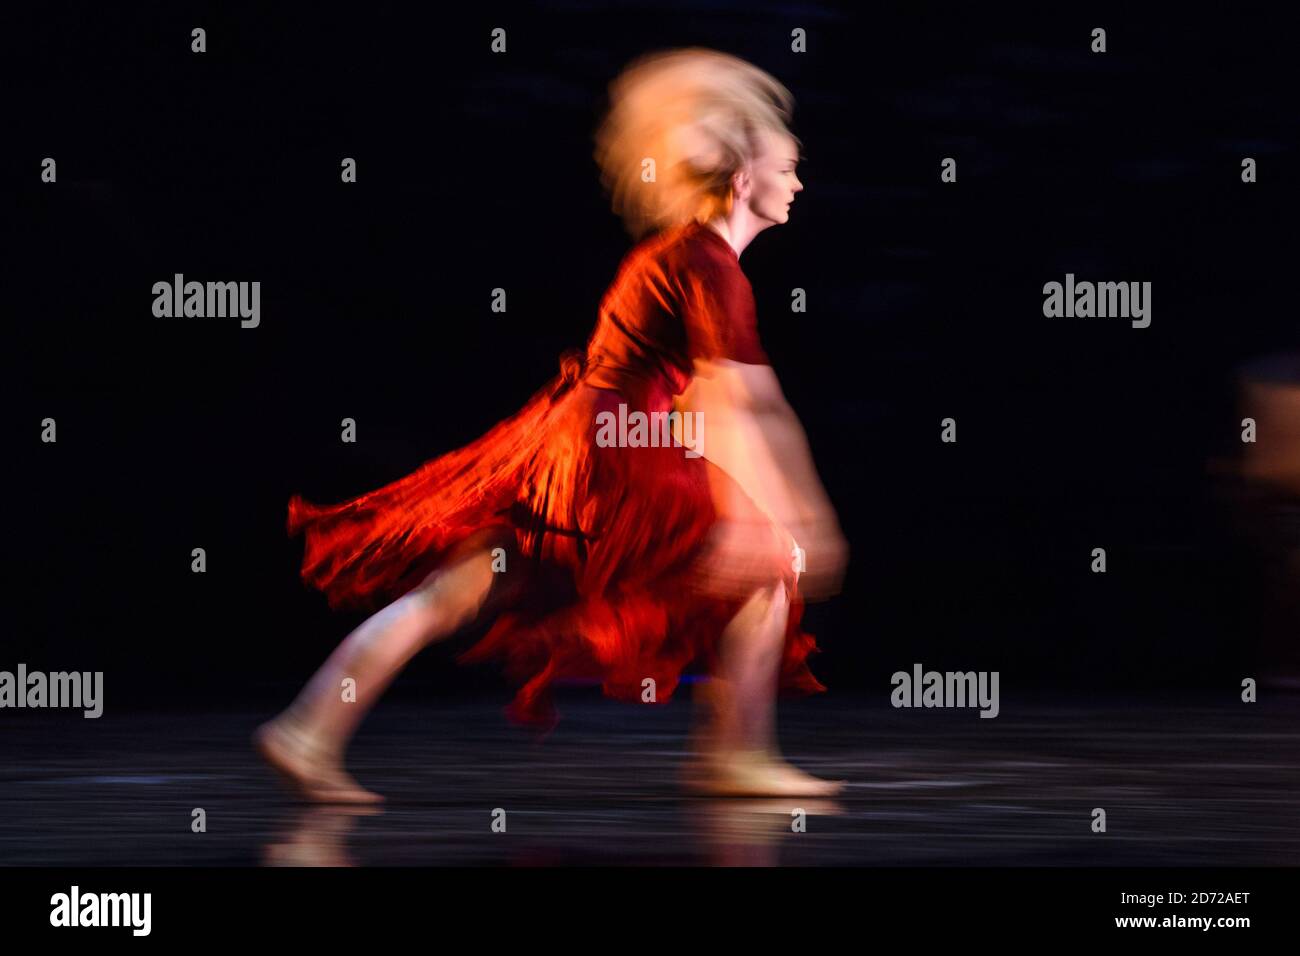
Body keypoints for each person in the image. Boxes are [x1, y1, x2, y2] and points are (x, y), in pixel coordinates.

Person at [255, 48, 849, 802]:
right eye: (788, 167)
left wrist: (773, 502)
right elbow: (738, 403)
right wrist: (774, 515)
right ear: (743, 179)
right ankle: (733, 756)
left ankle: (307, 728)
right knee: (767, 573)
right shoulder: (708, 266)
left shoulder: (680, 256)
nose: (798, 183)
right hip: (614, 443)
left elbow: (736, 402)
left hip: (565, 440)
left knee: (458, 590)